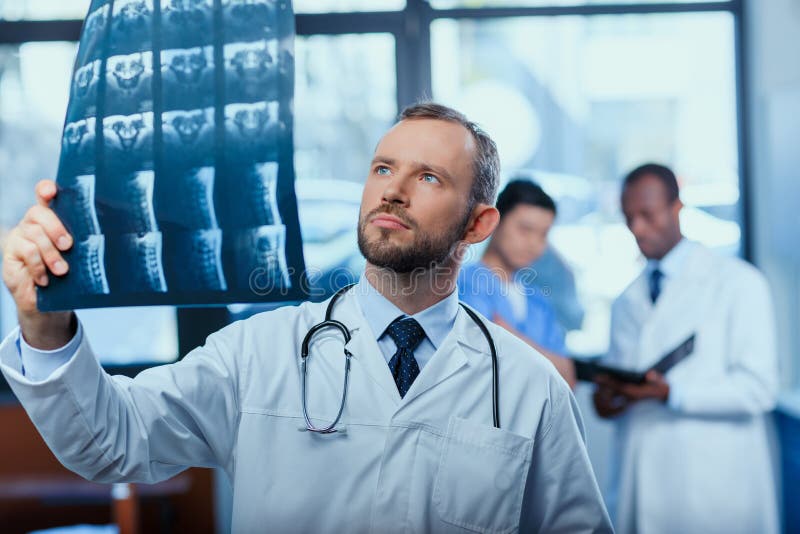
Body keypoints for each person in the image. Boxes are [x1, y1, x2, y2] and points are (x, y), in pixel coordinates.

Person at [1, 103, 612, 533]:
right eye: (382, 168)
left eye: (427, 176)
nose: (392, 191)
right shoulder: (257, 352)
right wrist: (44, 324)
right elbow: (108, 441)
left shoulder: (529, 389)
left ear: (479, 224)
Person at [593, 163, 779, 534]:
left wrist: (671, 393)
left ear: (678, 207)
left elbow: (759, 390)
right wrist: (607, 400)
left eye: (648, 215)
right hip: (641, 480)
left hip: (712, 489)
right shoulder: (626, 300)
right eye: (629, 218)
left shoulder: (739, 284)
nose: (637, 229)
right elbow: (616, 383)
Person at [459, 180, 577, 387]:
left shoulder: (539, 301)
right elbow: (480, 369)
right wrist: (546, 361)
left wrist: (508, 335)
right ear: (493, 221)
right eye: (525, 230)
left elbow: (567, 380)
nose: (534, 244)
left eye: (543, 234)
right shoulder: (461, 285)